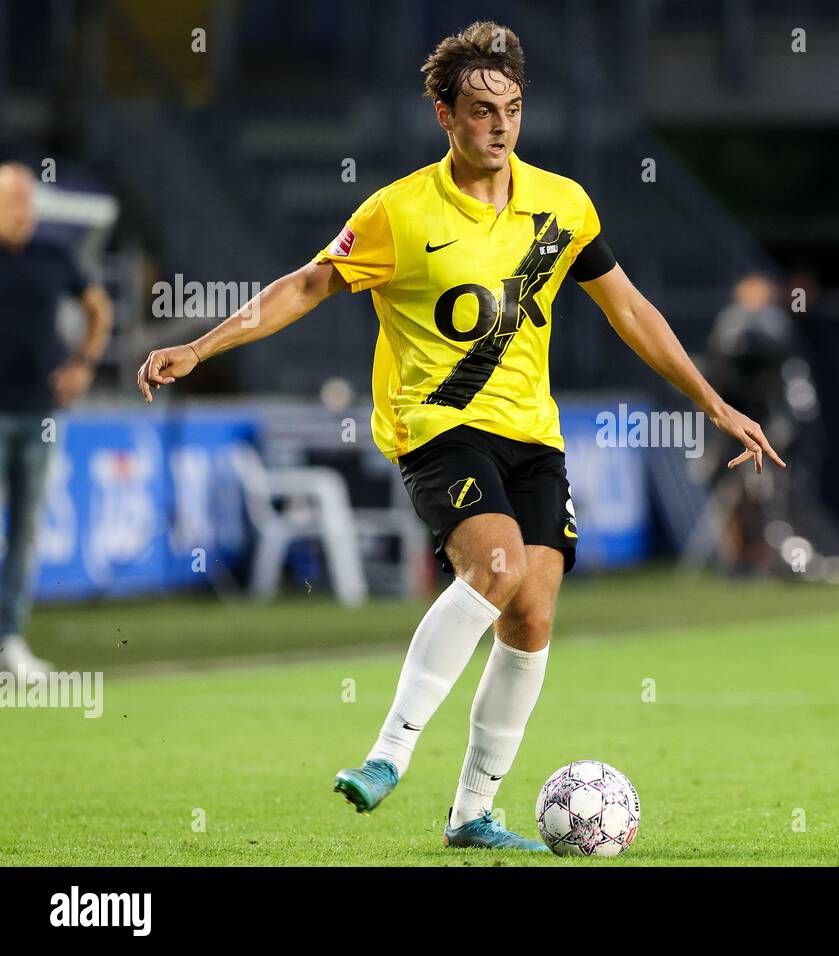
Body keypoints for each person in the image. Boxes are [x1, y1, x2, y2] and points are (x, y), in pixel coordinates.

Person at [136, 21, 783, 852]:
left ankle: (472, 813)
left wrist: (713, 402)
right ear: (444, 114)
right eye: (480, 110)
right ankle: (388, 755)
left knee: (533, 616)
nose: (500, 125)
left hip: (533, 435)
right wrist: (198, 344)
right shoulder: (399, 213)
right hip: (437, 427)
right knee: (497, 566)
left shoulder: (562, 204)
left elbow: (630, 311)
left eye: (511, 108)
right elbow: (305, 285)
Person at [0, 162, 114, 678]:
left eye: (26, 201)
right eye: (11, 202)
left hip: (39, 413)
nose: (21, 212)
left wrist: (84, 365)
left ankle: (10, 641)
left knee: (24, 534)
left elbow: (98, 308)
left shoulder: (52, 255)